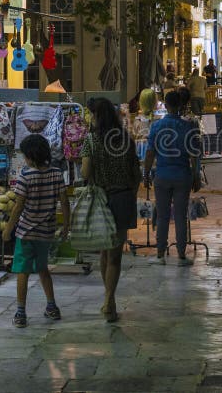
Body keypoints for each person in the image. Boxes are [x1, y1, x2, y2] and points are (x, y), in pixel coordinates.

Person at [81, 97, 142, 322]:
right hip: (123, 198)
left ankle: (109, 300)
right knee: (114, 254)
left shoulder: (91, 140)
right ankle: (109, 300)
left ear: (97, 117)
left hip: (101, 200)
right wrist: (130, 193)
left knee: (105, 252)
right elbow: (136, 174)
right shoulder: (125, 139)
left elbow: (85, 174)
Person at [3, 134, 71, 328]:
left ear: (30, 157)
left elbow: (18, 206)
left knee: (22, 271)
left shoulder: (26, 176)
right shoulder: (56, 174)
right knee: (43, 269)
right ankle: (52, 306)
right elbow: (65, 203)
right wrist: (66, 226)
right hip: (46, 232)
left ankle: (21, 312)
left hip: (26, 233)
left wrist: (8, 229)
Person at [144, 91, 202, 266]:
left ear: (166, 105)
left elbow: (149, 153)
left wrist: (146, 174)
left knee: (161, 216)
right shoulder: (189, 127)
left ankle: (160, 255)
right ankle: (182, 256)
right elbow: (194, 155)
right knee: (180, 216)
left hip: (161, 175)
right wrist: (196, 175)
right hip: (182, 176)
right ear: (180, 105)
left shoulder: (156, 126)